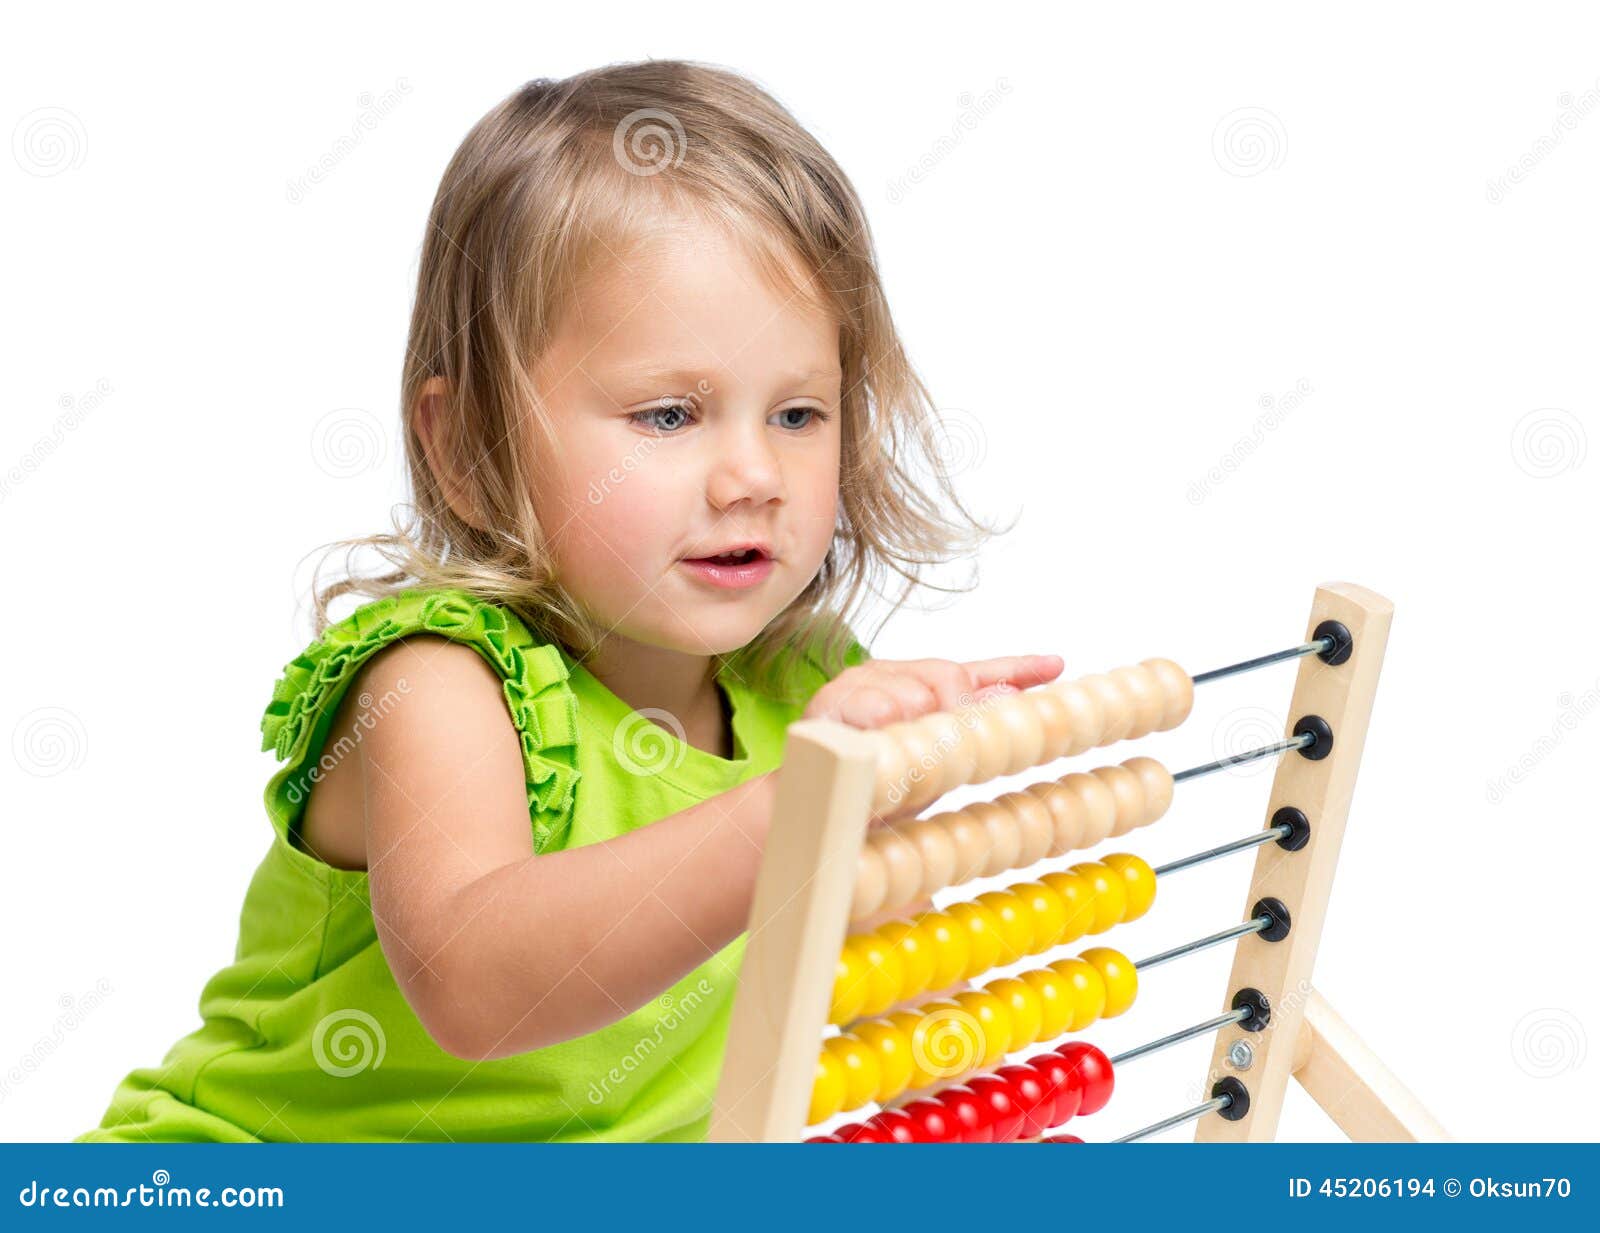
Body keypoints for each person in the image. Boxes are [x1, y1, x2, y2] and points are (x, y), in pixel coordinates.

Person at [77, 59, 1062, 1143]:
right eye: (669, 416)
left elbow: (879, 991)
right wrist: (790, 814)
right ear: (465, 446)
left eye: (797, 414)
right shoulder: (440, 690)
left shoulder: (807, 688)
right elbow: (478, 989)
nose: (752, 477)